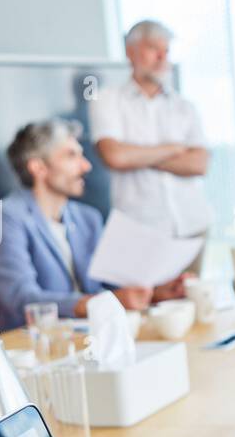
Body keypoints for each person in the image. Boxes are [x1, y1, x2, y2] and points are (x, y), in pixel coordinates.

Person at [0, 118, 155, 331]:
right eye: (71, 155)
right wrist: (95, 304)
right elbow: (20, 299)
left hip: (94, 338)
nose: (86, 166)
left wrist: (157, 291)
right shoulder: (1, 218)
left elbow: (111, 283)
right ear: (39, 167)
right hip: (34, 345)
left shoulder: (88, 218)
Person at [90, 19, 212, 291]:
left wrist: (140, 155)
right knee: (144, 309)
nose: (162, 57)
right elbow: (116, 157)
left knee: (188, 308)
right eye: (154, 49)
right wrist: (172, 148)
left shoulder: (185, 106)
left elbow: (199, 164)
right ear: (131, 52)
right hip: (140, 232)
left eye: (166, 51)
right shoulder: (107, 100)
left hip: (192, 226)